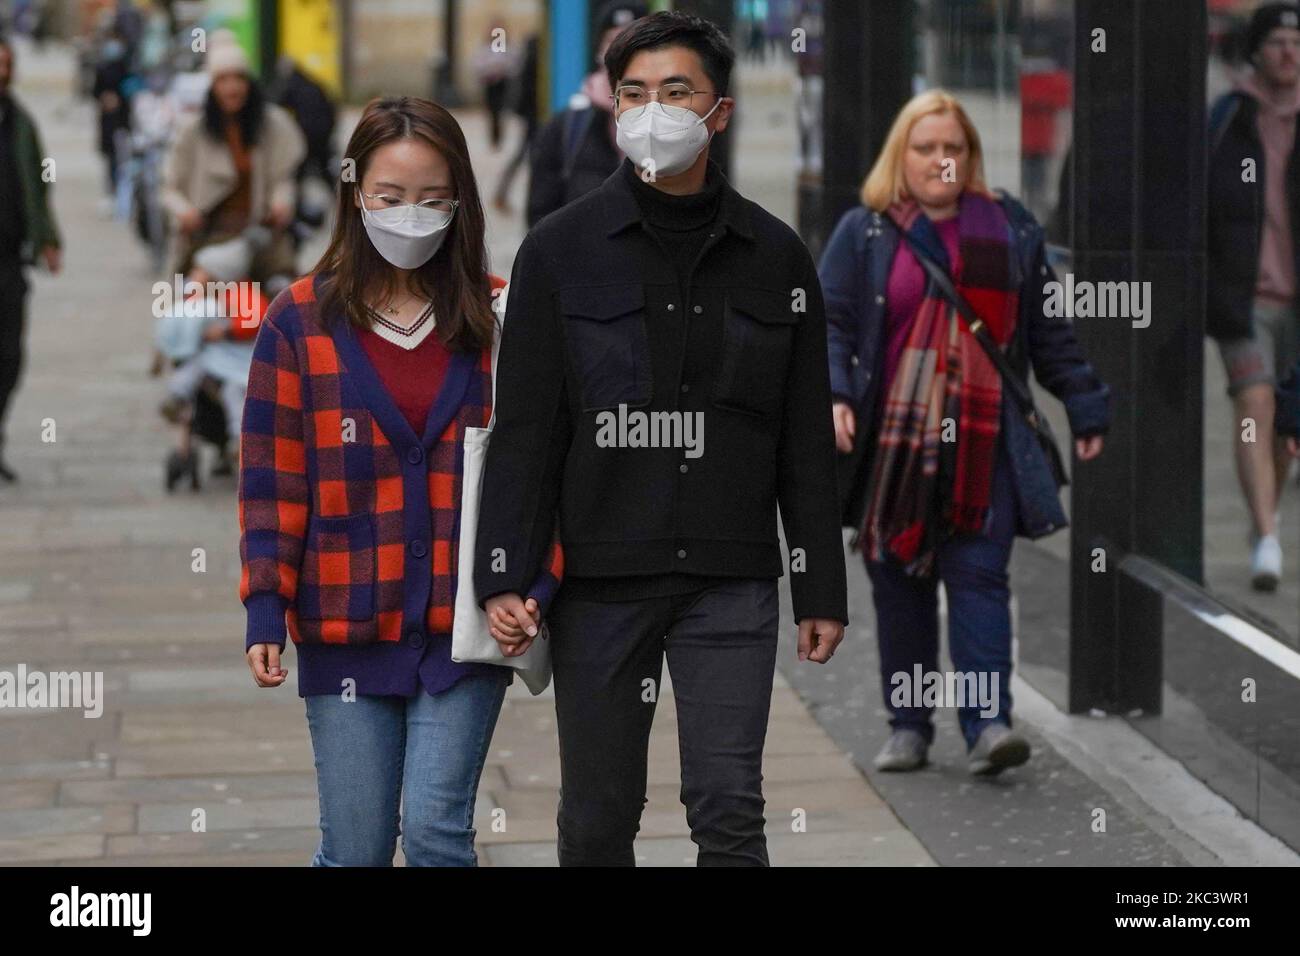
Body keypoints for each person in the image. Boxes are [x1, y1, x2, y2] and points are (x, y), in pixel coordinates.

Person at [475, 11, 847, 867]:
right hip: (601, 578)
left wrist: (820, 584)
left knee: (729, 808)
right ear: (612, 109)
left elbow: (801, 436)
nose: (654, 109)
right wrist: (503, 569)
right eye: (635, 92)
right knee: (599, 815)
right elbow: (527, 428)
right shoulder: (559, 251)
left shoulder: (777, 258)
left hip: (732, 577)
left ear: (718, 112)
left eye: (677, 91)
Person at [239, 96, 562, 867]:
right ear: (355, 193)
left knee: (436, 837)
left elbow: (545, 468)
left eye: (432, 199)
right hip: (344, 624)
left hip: (466, 631)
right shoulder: (299, 321)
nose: (410, 216)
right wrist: (263, 606)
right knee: (353, 850)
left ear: (461, 203)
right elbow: (272, 479)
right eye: (390, 197)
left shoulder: (502, 316)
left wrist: (534, 586)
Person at [820, 90, 1110, 776]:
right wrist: (833, 392)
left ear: (971, 156)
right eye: (927, 148)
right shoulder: (865, 232)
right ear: (903, 155)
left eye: (955, 148)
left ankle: (989, 725)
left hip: (985, 441)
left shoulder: (1009, 227)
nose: (941, 160)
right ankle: (909, 726)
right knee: (898, 579)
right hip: (893, 442)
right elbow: (827, 321)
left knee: (980, 577)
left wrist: (1086, 403)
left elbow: (1047, 330)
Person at [1207, 1, 1300, 591]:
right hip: (1246, 299)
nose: (1289, 52)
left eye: (1298, 41)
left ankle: (1267, 509)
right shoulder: (1228, 119)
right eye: (1277, 42)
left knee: (1287, 425)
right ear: (1255, 50)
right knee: (1254, 407)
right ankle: (1267, 534)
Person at [161, 30, 303, 281]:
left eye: (239, 78)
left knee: (289, 301)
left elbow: (283, 178)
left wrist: (282, 202)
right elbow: (169, 188)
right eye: (223, 80)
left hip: (261, 238)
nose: (232, 87)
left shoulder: (272, 125)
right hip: (208, 237)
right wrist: (184, 211)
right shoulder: (192, 131)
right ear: (212, 86)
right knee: (196, 296)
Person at [0, 34, 62, 485]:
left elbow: (39, 186)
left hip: (9, 259)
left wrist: (48, 238)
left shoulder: (20, 122)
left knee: (9, 356)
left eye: (7, 66)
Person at [525, 2, 646, 227]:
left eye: (635, 42)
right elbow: (540, 216)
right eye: (613, 40)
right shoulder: (565, 128)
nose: (624, 52)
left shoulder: (672, 123)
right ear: (600, 51)